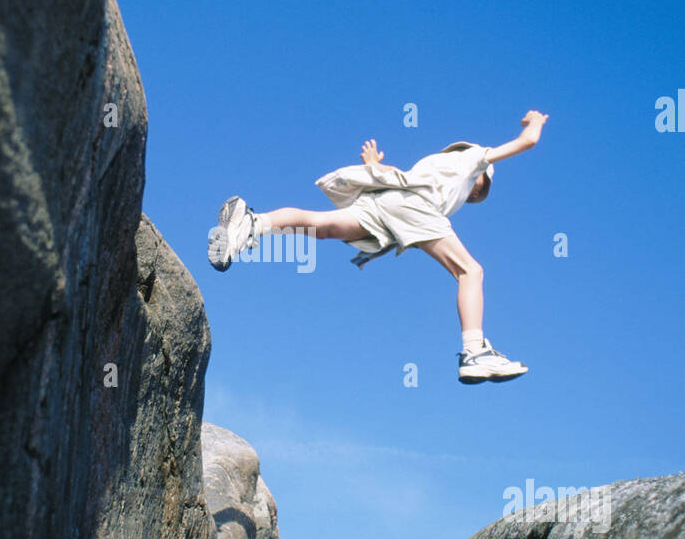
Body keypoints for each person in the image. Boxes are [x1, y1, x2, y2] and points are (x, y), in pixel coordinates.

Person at [207, 110, 549, 383]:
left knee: (322, 226)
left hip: (387, 202)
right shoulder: (473, 160)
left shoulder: (430, 166)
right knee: (471, 271)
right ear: (482, 175)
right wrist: (535, 121)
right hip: (414, 207)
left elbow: (390, 179)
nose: (474, 196)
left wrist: (372, 163)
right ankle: (474, 351)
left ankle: (251, 223)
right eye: (480, 190)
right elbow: (527, 141)